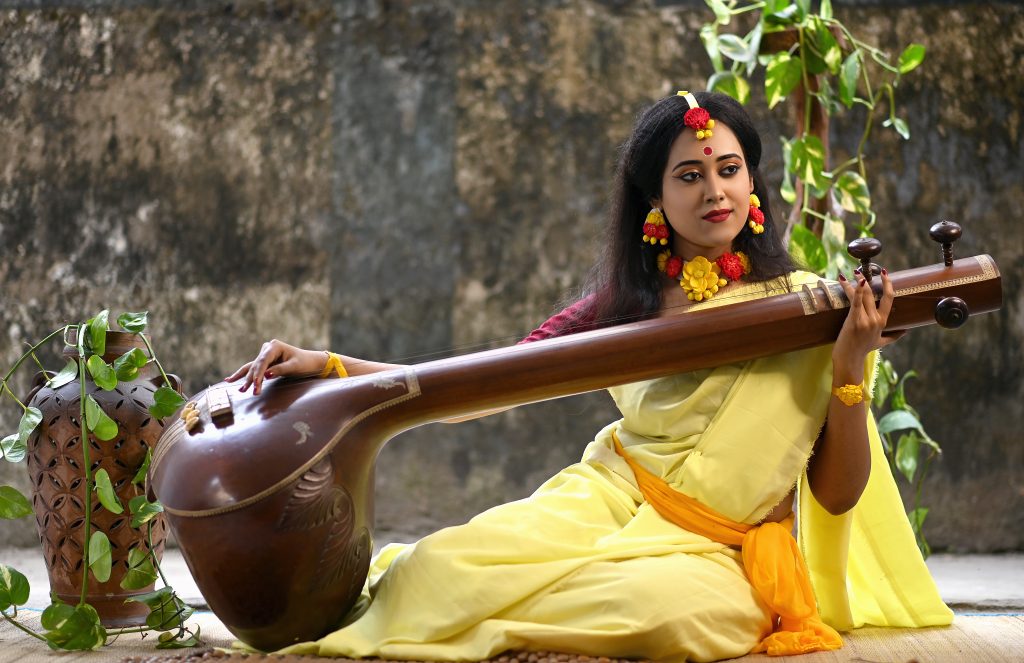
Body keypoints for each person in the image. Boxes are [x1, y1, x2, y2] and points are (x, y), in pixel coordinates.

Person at [226, 91, 952, 662]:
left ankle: (517, 623)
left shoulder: (811, 305)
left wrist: (850, 359)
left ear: (752, 181)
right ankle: (501, 611)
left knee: (665, 615)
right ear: (655, 200)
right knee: (436, 569)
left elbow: (835, 491)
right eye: (690, 175)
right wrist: (330, 365)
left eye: (729, 169)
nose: (715, 191)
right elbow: (476, 381)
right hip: (607, 495)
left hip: (719, 546)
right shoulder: (620, 307)